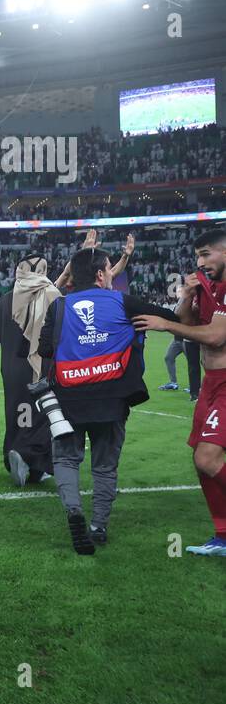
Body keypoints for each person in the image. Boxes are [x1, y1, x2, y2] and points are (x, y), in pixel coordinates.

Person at [41, 246, 177, 552]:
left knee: (65, 458)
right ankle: (99, 526)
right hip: (112, 397)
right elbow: (171, 318)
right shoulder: (123, 301)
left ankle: (74, 510)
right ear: (102, 274)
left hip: (68, 397)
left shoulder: (60, 306)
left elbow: (45, 350)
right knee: (104, 466)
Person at [133, 229, 226, 555]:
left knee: (208, 457)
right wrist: (187, 294)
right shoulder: (208, 286)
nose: (200, 262)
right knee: (200, 461)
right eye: (197, 256)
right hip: (211, 382)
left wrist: (166, 326)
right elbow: (185, 319)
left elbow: (215, 337)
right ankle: (223, 536)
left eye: (206, 254)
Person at [0, 254, 59, 487]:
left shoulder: (4, 301)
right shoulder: (53, 297)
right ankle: (32, 463)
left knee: (18, 414)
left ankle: (15, 454)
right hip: (43, 369)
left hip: (13, 371)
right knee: (42, 418)